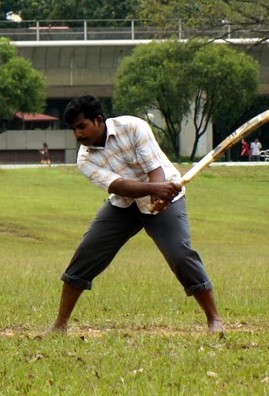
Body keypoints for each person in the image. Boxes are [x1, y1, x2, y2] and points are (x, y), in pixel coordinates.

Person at [48, 96, 223, 334]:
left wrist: (160, 195)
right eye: (73, 129)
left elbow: (155, 169)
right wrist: (154, 191)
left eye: (82, 126)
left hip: (167, 193)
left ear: (98, 120)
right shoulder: (85, 158)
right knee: (86, 253)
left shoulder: (133, 126)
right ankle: (60, 324)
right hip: (124, 204)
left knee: (180, 254)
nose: (78, 134)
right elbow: (118, 186)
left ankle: (214, 319)